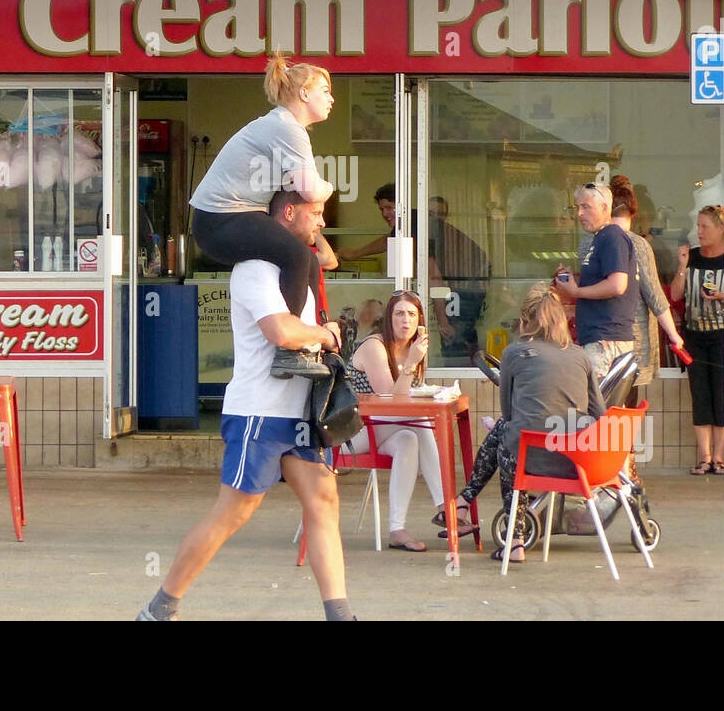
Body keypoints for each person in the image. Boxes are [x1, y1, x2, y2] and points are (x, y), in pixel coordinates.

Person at [139, 190, 352, 621]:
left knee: (324, 500)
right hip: (260, 411)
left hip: (298, 412)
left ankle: (340, 615)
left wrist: (319, 333)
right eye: (316, 213)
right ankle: (160, 608)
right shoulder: (255, 269)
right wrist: (327, 335)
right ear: (288, 213)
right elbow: (282, 332)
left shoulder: (299, 269)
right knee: (234, 512)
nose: (322, 223)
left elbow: (302, 329)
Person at [189, 55, 335, 380]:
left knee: (309, 260)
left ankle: (316, 335)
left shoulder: (282, 126)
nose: (331, 98)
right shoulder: (287, 128)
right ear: (304, 94)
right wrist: (329, 185)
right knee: (296, 255)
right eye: (325, 90)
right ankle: (287, 351)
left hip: (232, 216)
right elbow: (312, 193)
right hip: (220, 220)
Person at [489, 285, 605, 563]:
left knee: (505, 439)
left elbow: (507, 413)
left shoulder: (514, 352)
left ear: (523, 320)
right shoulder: (580, 356)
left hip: (530, 461)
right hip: (575, 462)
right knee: (510, 435)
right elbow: (599, 413)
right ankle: (464, 502)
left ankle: (514, 541)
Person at [345, 290, 453, 552]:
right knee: (422, 422)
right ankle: (447, 508)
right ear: (388, 319)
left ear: (420, 321)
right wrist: (412, 363)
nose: (406, 320)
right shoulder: (374, 346)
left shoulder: (411, 349)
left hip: (380, 430)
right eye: (399, 313)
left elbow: (408, 396)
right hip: (350, 432)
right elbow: (392, 401)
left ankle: (397, 529)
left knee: (408, 439)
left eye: (412, 314)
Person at [337, 184, 489, 361]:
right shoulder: (410, 222)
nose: (385, 214)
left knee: (454, 344)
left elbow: (434, 277)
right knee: (462, 340)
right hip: (469, 281)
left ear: (402, 206)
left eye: (390, 207)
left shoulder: (416, 226)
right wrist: (355, 253)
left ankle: (459, 378)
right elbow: (388, 241)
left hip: (469, 282)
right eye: (382, 209)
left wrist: (442, 321)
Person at [669, 205, 724, 476]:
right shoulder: (692, 258)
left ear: (721, 229)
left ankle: (719, 457)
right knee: (700, 395)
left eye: (705, 226)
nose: (700, 231)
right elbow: (674, 295)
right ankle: (704, 456)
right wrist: (682, 268)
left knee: (722, 394)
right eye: (698, 226)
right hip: (695, 335)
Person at [609, 177, 684, 401]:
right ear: (635, 213)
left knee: (603, 414)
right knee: (626, 410)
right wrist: (673, 335)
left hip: (599, 344)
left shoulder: (589, 242)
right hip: (631, 339)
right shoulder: (637, 245)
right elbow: (655, 296)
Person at [554, 182, 638, 381]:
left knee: (600, 408)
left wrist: (576, 292)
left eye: (586, 207)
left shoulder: (612, 237)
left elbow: (617, 285)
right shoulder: (601, 238)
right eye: (578, 208)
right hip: (600, 337)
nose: (579, 214)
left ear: (605, 208)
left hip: (606, 339)